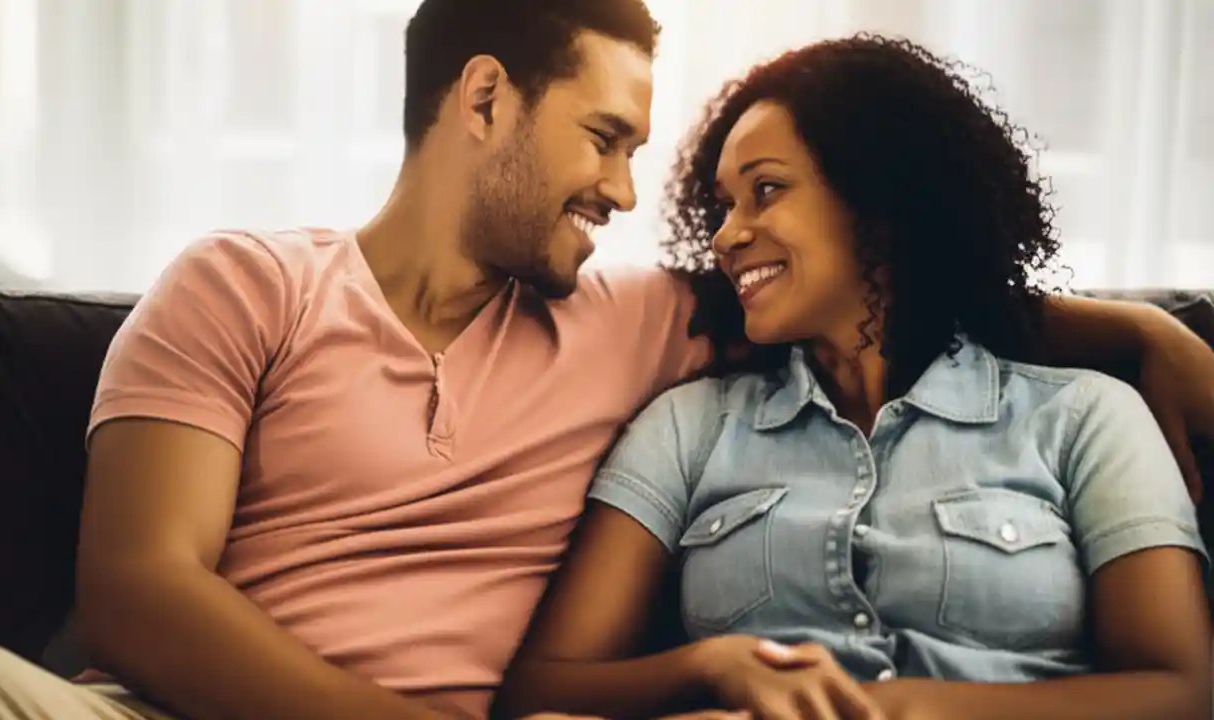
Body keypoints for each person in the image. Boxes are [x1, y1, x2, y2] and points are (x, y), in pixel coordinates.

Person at [0, 3, 1210, 719]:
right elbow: (140, 592)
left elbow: (881, 276)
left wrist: (1143, 333)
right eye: (604, 138)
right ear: (482, 99)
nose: (622, 190)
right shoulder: (242, 283)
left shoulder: (640, 319)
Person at [496, 35, 1212, 720]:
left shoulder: (1087, 418)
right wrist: (712, 666)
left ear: (879, 202)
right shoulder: (688, 427)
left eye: (766, 190)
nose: (726, 234)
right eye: (723, 206)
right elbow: (539, 693)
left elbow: (1183, 694)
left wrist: (912, 711)